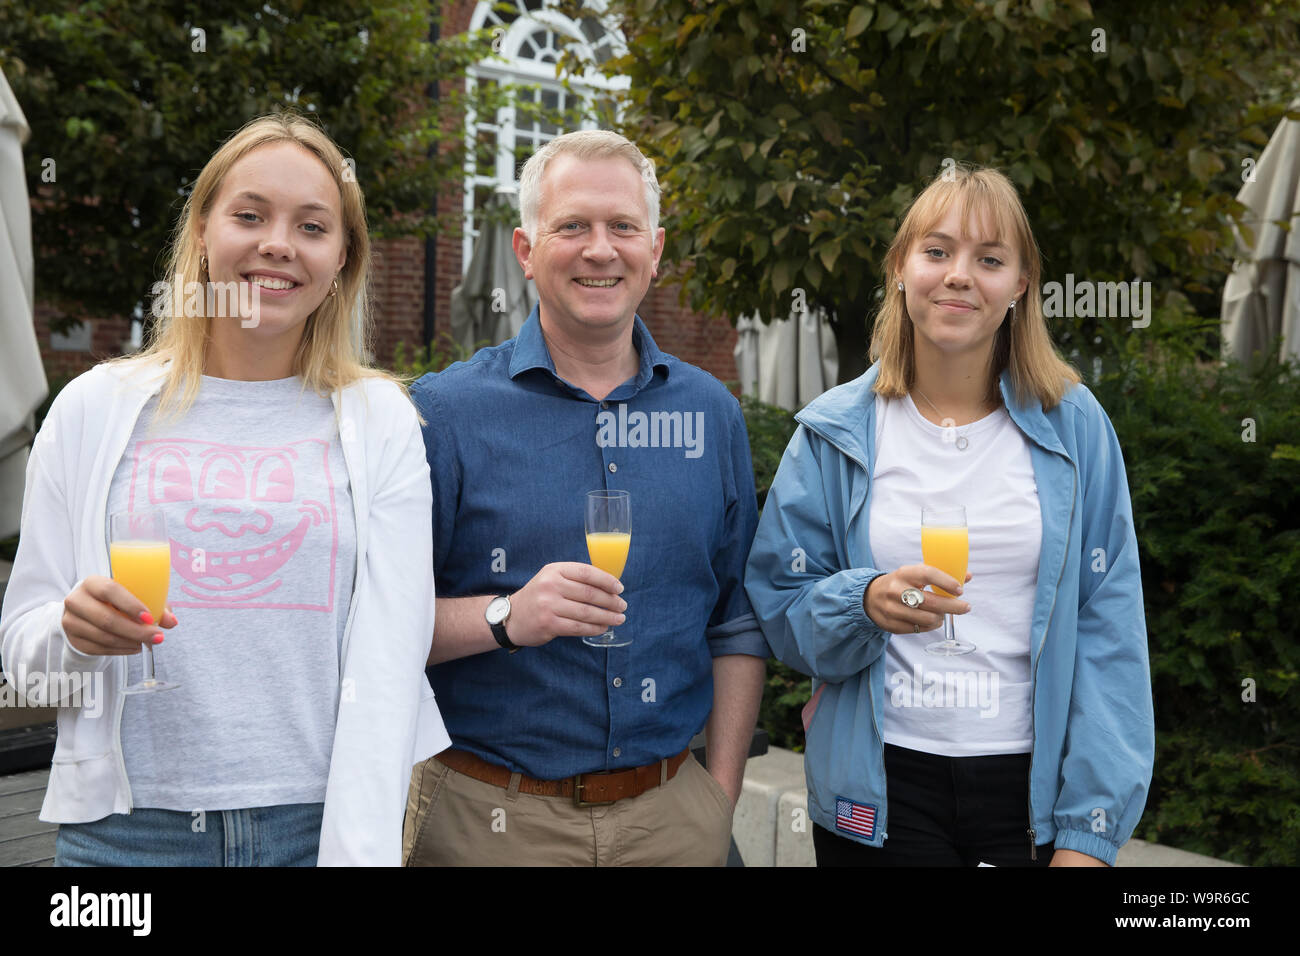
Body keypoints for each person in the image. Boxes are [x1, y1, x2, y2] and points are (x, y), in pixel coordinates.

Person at [0, 111, 448, 866]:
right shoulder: (94, 408)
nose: (278, 243)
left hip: (319, 824)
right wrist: (71, 634)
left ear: (341, 259)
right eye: (250, 215)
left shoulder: (382, 422)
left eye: (312, 226)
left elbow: (395, 647)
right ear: (203, 231)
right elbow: (23, 659)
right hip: (128, 834)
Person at [744, 164, 1154, 867]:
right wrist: (863, 602)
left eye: (990, 260)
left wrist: (1091, 830)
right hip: (879, 792)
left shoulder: (1076, 426)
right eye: (936, 252)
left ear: (1020, 285)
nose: (959, 275)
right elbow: (779, 607)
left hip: (1029, 796)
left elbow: (1108, 630)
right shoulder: (835, 430)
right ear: (901, 268)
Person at [402, 129, 767, 867]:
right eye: (572, 226)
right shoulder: (443, 415)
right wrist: (507, 617)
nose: (600, 250)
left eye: (622, 227)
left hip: (674, 824)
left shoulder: (711, 414)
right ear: (527, 251)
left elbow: (736, 621)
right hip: (487, 826)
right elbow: (381, 625)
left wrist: (717, 795)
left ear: (654, 250)